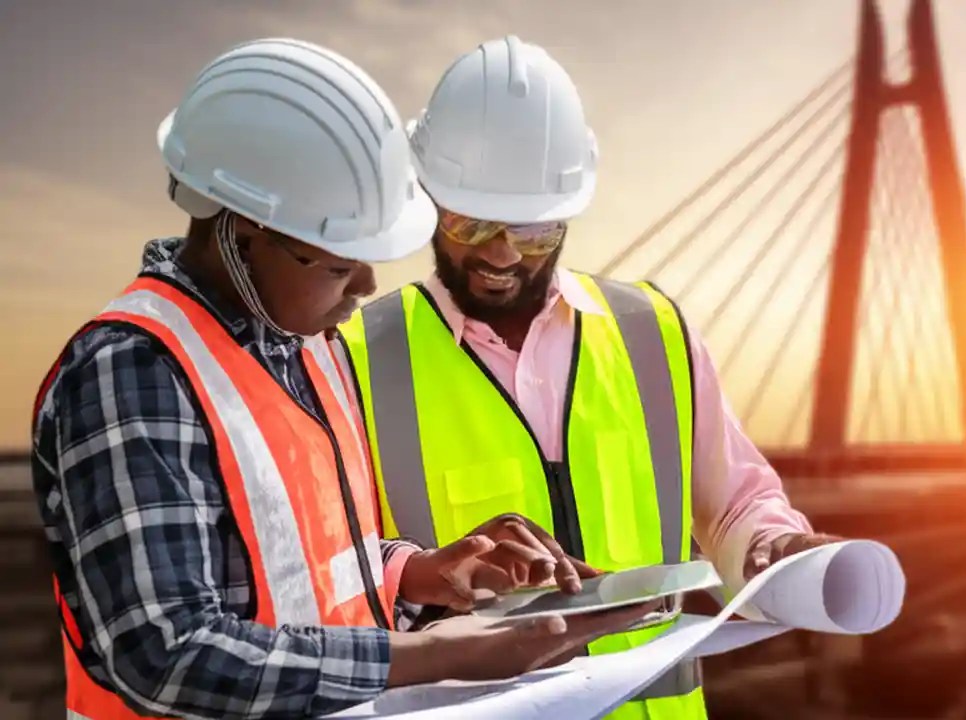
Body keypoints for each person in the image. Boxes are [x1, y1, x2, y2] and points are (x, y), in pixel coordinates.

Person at [31, 38, 653, 720]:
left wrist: (421, 572)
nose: (367, 285)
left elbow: (304, 556)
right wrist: (445, 654)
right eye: (337, 265)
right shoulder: (132, 369)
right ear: (242, 237)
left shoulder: (308, 344)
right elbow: (166, 652)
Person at [336, 35, 859, 719]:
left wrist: (774, 548)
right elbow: (331, 573)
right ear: (428, 197)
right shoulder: (351, 358)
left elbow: (730, 506)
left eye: (532, 232)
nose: (500, 254)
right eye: (472, 223)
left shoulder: (654, 332)